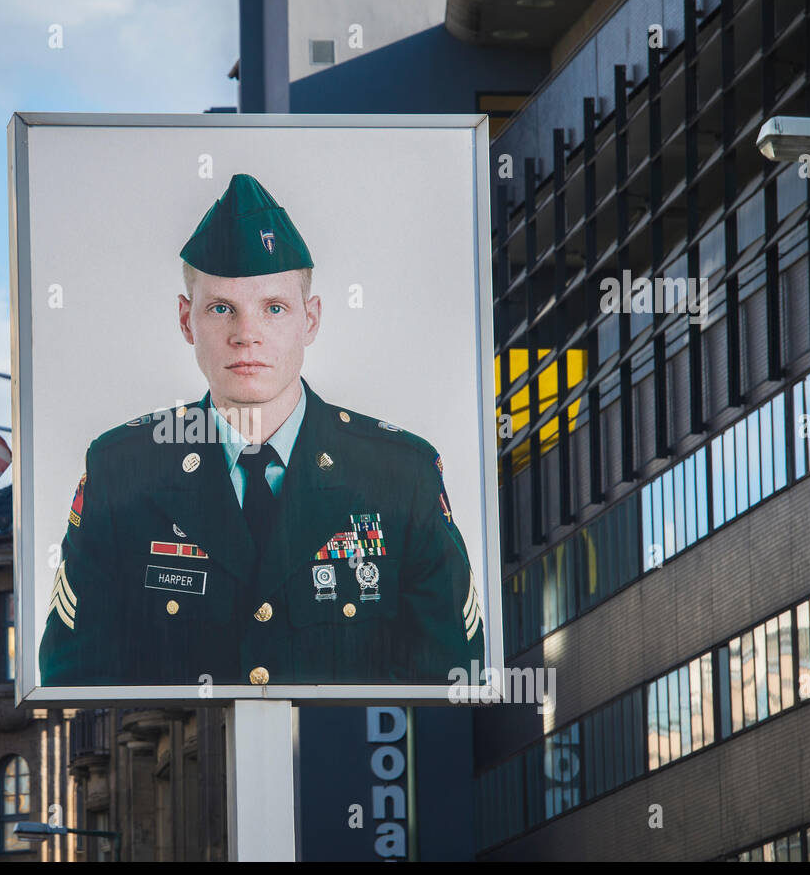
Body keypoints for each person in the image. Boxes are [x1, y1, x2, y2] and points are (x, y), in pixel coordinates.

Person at [39, 173, 485, 686]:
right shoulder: (123, 469)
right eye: (221, 309)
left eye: (273, 308)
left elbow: (456, 682)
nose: (246, 334)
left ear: (310, 320)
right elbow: (70, 679)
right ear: (187, 321)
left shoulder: (398, 473)